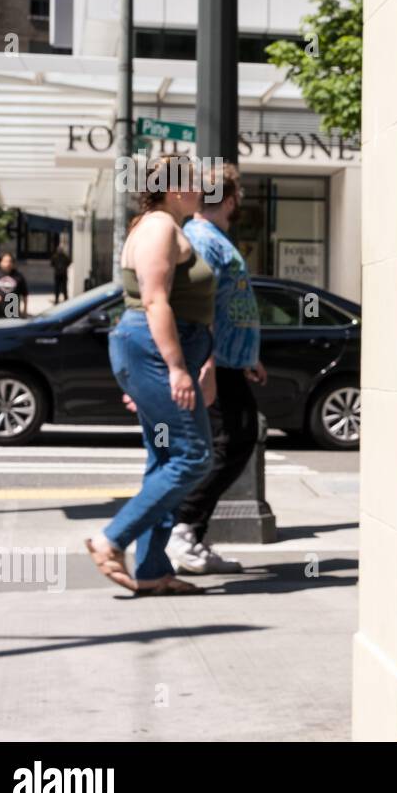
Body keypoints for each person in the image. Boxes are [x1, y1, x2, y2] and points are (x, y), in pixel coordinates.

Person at [85, 154, 216, 594]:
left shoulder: (164, 225)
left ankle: (153, 570)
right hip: (155, 351)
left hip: (153, 354)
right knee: (193, 456)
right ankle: (111, 539)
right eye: (196, 182)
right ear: (177, 188)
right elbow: (156, 301)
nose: (201, 190)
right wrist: (176, 369)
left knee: (164, 457)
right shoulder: (160, 227)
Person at [167, 163, 266, 574]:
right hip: (214, 363)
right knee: (234, 440)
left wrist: (249, 356)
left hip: (228, 362)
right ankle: (182, 530)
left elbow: (228, 306)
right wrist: (204, 361)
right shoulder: (203, 239)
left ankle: (190, 534)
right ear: (228, 200)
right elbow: (198, 303)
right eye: (236, 197)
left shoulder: (214, 238)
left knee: (230, 441)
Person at [0, 253, 28, 319]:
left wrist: (24, 311)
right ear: (0, 262)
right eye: (5, 261)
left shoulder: (18, 276)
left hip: (13, 313)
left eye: (10, 261)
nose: (7, 264)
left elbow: (25, 294)